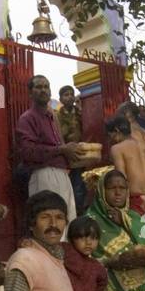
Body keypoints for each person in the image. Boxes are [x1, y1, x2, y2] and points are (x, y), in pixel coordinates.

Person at [15, 74, 85, 229]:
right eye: (38, 87)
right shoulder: (27, 118)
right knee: (49, 224)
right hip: (43, 174)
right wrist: (62, 149)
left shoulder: (53, 117)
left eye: (46, 87)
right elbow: (28, 152)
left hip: (62, 174)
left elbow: (61, 145)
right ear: (30, 93)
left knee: (67, 221)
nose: (43, 90)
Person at [106, 114, 145, 214]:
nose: (111, 140)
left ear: (117, 131)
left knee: (142, 230)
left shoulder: (117, 149)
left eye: (111, 136)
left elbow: (121, 180)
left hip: (137, 202)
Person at [63, 215, 108, 291]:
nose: (88, 242)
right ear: (71, 239)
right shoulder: (62, 251)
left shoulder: (99, 269)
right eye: (82, 237)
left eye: (93, 238)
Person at [56, 84, 88, 215]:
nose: (69, 97)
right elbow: (59, 134)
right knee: (70, 185)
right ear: (61, 99)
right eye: (66, 95)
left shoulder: (80, 112)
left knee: (81, 184)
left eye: (71, 94)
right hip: (66, 155)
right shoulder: (57, 116)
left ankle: (79, 210)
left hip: (82, 153)